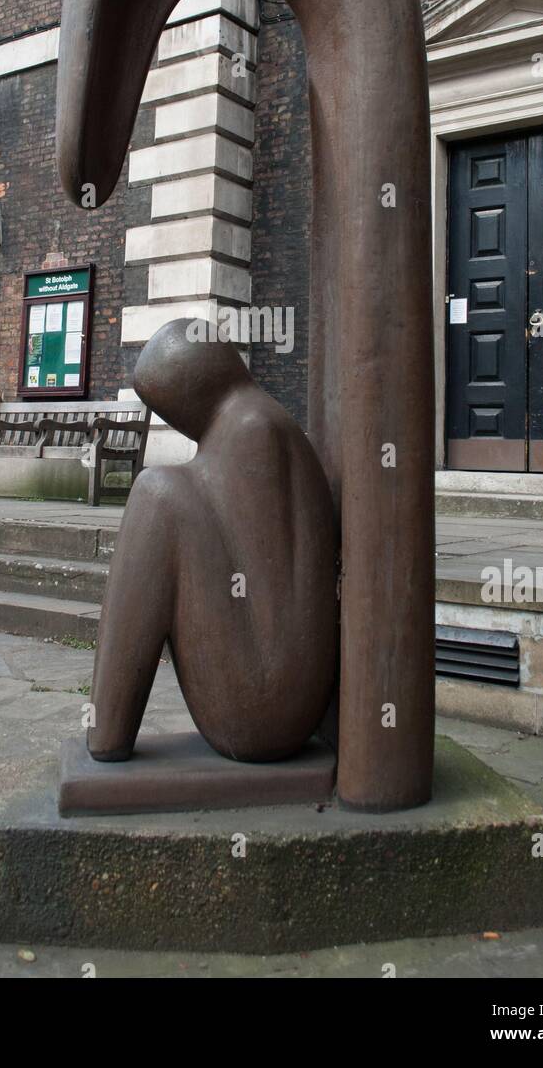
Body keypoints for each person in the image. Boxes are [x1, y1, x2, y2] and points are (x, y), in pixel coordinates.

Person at [87, 319, 338, 764]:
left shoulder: (250, 426)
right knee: (163, 492)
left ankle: (106, 729)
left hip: (258, 710)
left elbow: (264, 588)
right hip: (291, 702)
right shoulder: (266, 419)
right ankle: (106, 726)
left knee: (154, 494)